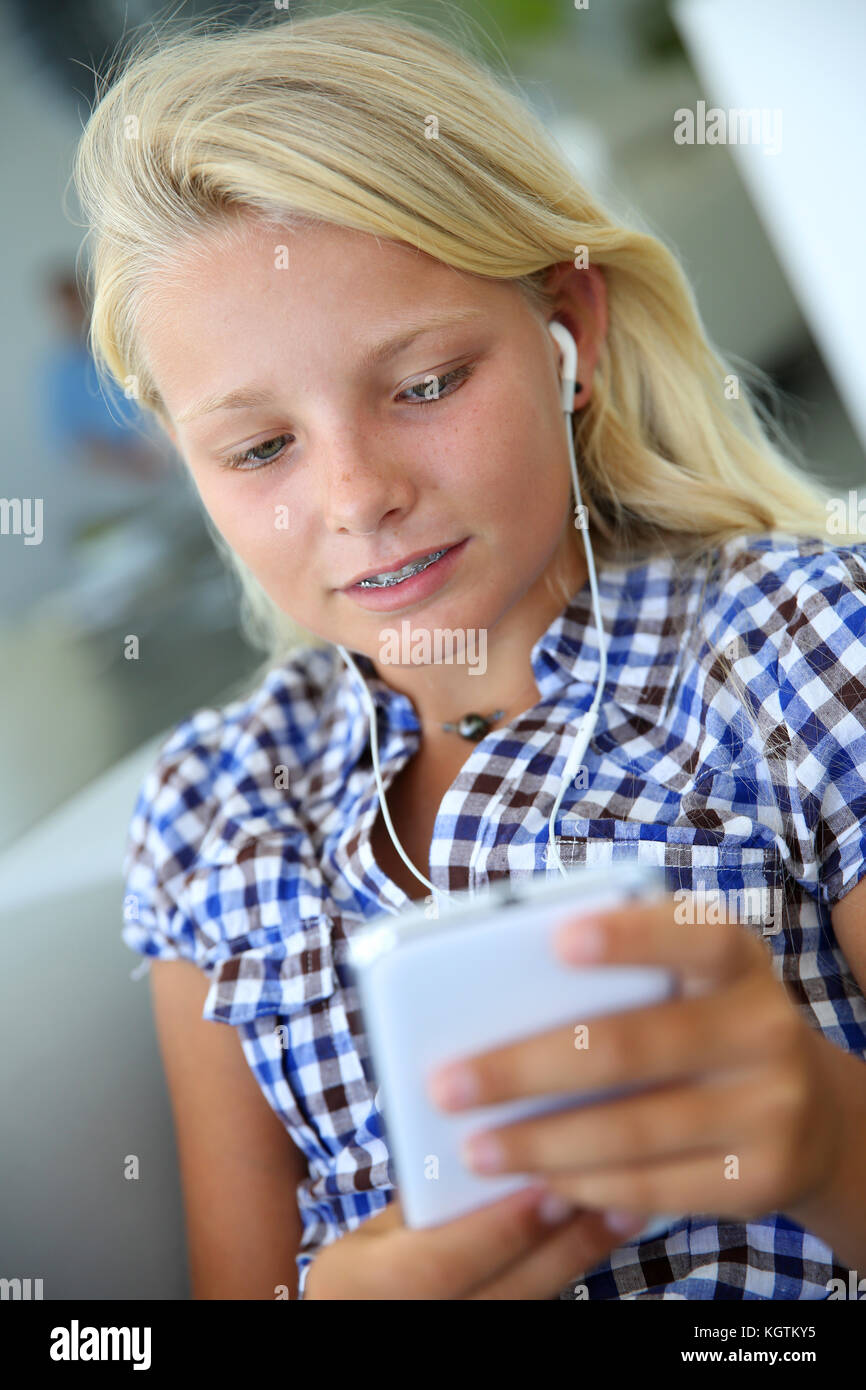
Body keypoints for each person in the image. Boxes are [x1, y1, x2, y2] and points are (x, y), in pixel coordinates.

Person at [74, 10, 866, 1300]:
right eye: (261, 448)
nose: (358, 494)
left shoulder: (799, 651)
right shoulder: (215, 814)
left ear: (570, 331)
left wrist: (833, 1140)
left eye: (428, 382)